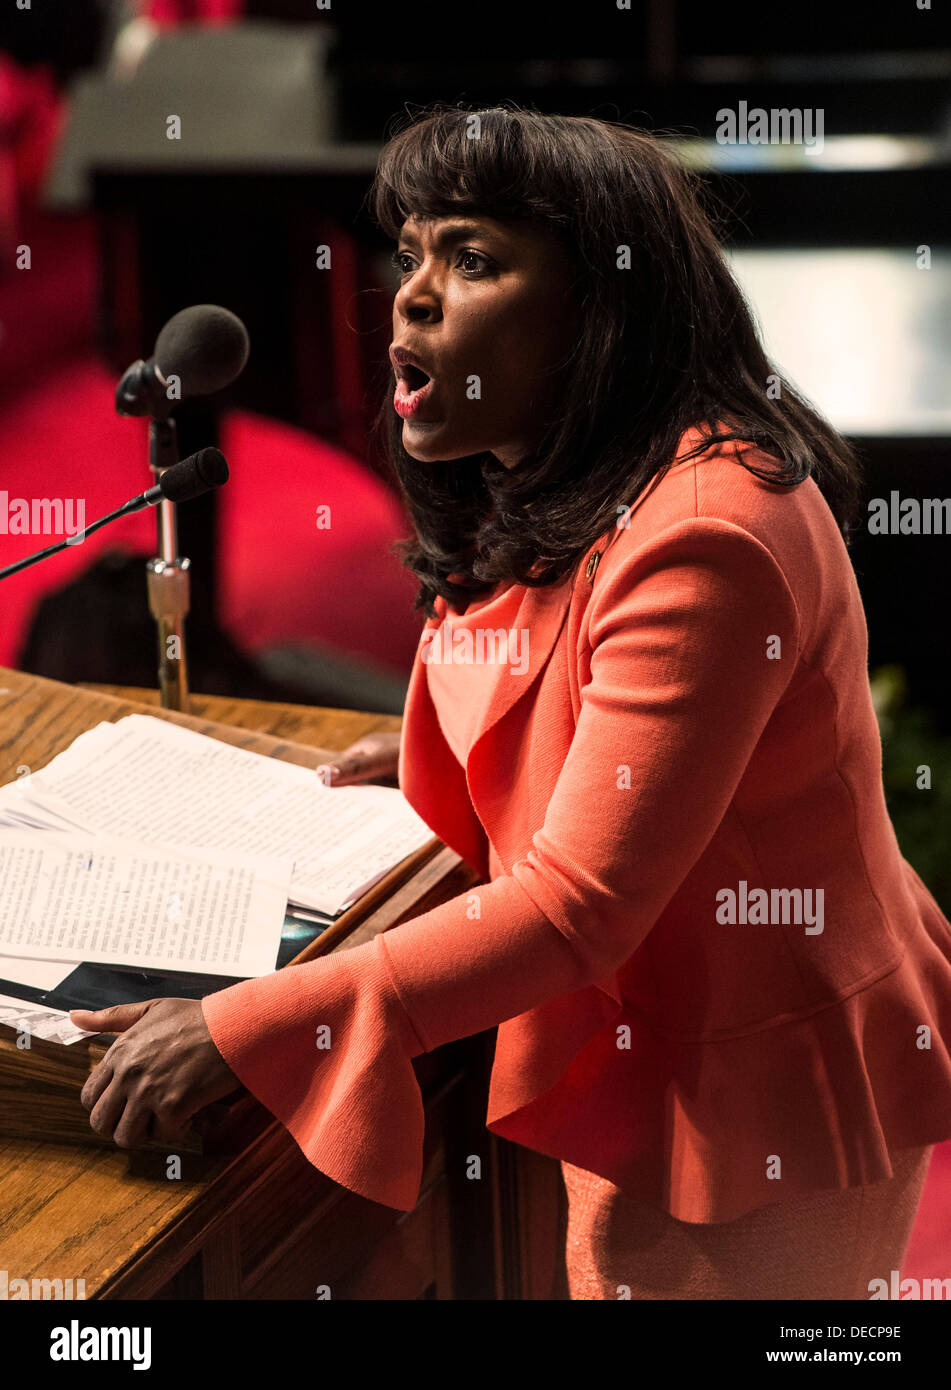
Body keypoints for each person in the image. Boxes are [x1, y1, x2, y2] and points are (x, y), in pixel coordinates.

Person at [70, 104, 951, 1300]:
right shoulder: (561, 462)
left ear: (603, 311)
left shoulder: (708, 534)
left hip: (750, 1085)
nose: (413, 296)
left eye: (473, 259)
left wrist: (252, 1024)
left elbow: (579, 907)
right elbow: (569, 678)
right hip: (642, 1041)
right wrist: (460, 755)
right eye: (413, 253)